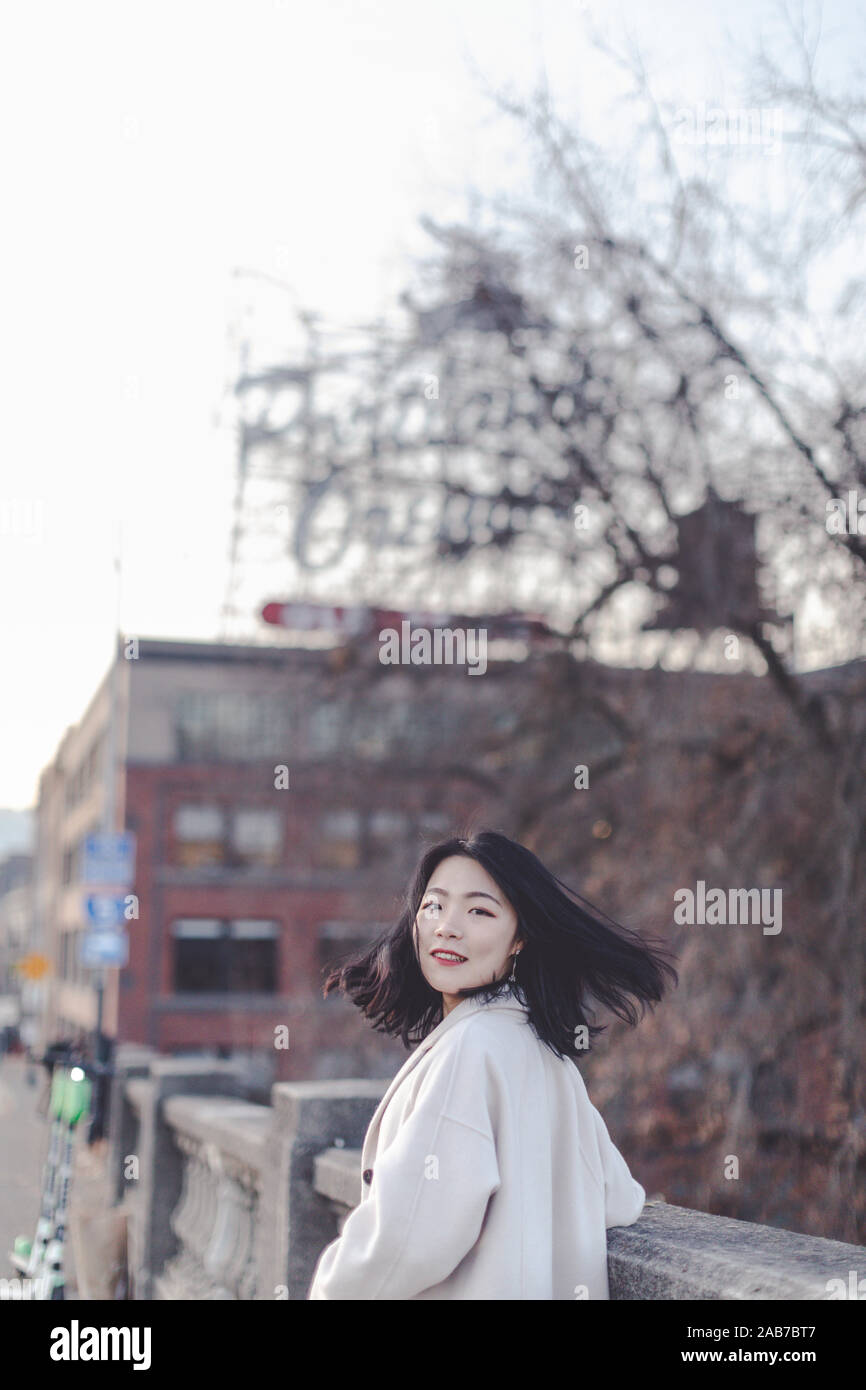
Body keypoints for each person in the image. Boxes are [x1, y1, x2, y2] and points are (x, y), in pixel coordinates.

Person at [308, 828, 678, 1301]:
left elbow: (404, 1241)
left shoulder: (472, 1048)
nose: (447, 926)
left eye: (479, 910)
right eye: (433, 905)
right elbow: (620, 1197)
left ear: (520, 937)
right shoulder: (543, 1052)